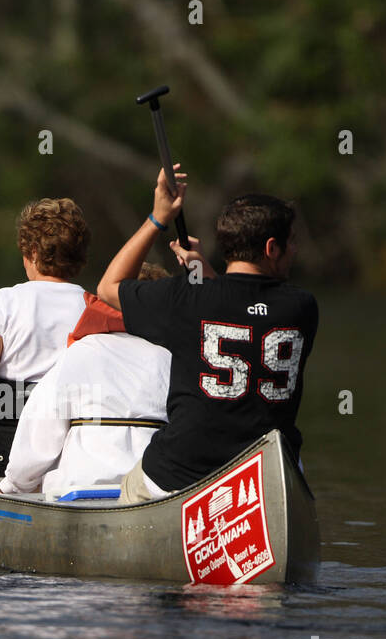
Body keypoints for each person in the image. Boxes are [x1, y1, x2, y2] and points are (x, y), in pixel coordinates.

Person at [96, 165, 318, 504]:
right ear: (271, 248)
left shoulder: (186, 297)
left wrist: (157, 219)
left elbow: (108, 288)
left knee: (130, 485)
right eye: (292, 243)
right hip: (263, 481)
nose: (295, 251)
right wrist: (206, 276)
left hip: (180, 477)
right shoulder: (302, 308)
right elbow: (246, 309)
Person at [0, 264, 173, 498]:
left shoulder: (81, 352)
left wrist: (9, 486)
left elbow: (39, 433)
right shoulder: (171, 359)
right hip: (149, 489)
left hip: (81, 488)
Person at [0, 198, 90, 477]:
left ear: (35, 252)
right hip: (68, 452)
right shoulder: (93, 305)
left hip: (5, 448)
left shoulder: (6, 300)